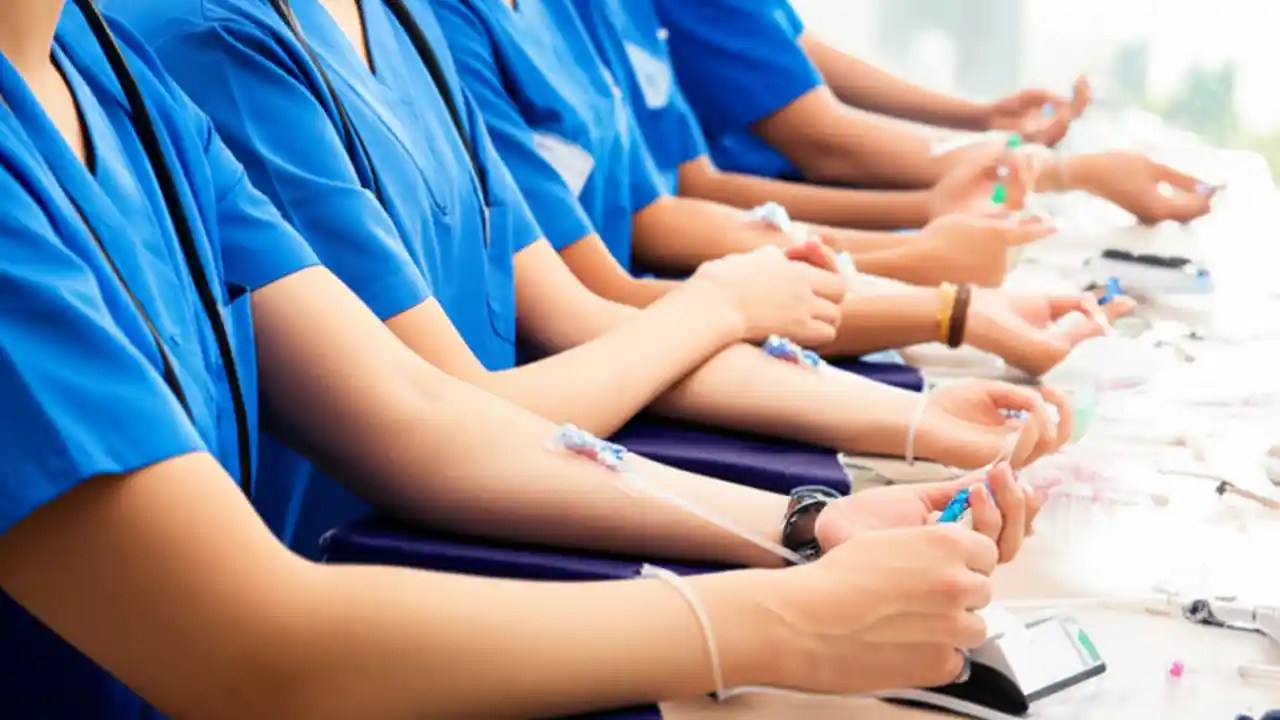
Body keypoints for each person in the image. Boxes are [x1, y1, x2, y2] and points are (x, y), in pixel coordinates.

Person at [0, 1, 1039, 717]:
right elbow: (251, 652)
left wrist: (805, 528)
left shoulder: (112, 73)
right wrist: (773, 621)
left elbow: (423, 421)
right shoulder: (198, 40)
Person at [109, 0, 1073, 556]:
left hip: (518, 506)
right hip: (390, 557)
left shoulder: (406, 24)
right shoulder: (212, 44)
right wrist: (931, 303)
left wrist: (909, 425)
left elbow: (587, 314)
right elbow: (462, 418)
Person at [431, 0, 1134, 373]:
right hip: (614, 352)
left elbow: (667, 197)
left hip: (663, 326)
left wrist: (941, 265)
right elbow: (595, 302)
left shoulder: (568, 12)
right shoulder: (453, 26)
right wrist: (937, 288)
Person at [653, 0, 1217, 229]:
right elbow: (827, 142)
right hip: (770, 221)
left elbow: (789, 49)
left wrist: (978, 118)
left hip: (772, 220)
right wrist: (1069, 172)